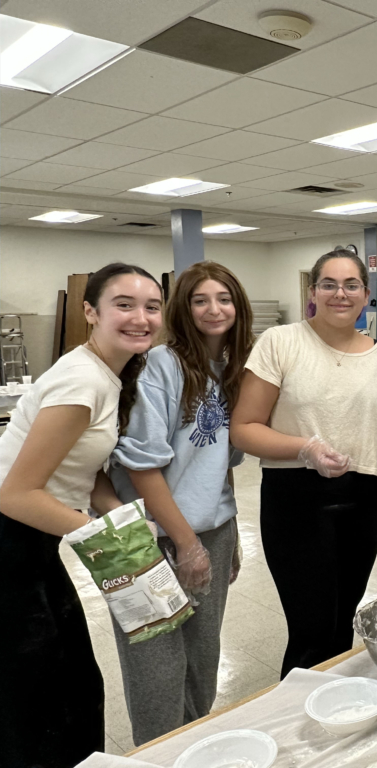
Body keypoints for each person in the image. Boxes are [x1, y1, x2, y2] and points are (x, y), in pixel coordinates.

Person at [0, 264, 163, 767]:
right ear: (90, 311)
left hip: (34, 541)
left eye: (151, 307)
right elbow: (15, 494)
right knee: (40, 699)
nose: (140, 317)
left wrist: (117, 512)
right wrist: (108, 536)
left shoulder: (106, 373)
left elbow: (80, 465)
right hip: (10, 543)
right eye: (124, 304)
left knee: (72, 682)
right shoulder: (81, 383)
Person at [231, 247, 377, 678]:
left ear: (365, 293)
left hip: (364, 501)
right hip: (296, 498)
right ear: (313, 291)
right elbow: (243, 427)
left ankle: (331, 712)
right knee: (311, 628)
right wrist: (304, 448)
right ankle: (295, 721)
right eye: (329, 284)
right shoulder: (281, 342)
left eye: (351, 284)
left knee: (342, 622)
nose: (340, 293)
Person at [107, 262, 253, 745]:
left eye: (224, 298)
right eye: (200, 300)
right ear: (183, 309)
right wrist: (187, 545)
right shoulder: (160, 367)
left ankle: (192, 748)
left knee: (202, 658)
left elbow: (219, 461)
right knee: (157, 669)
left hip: (210, 529)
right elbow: (140, 466)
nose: (214, 309)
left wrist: (224, 536)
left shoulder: (232, 368)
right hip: (147, 540)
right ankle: (159, 754)